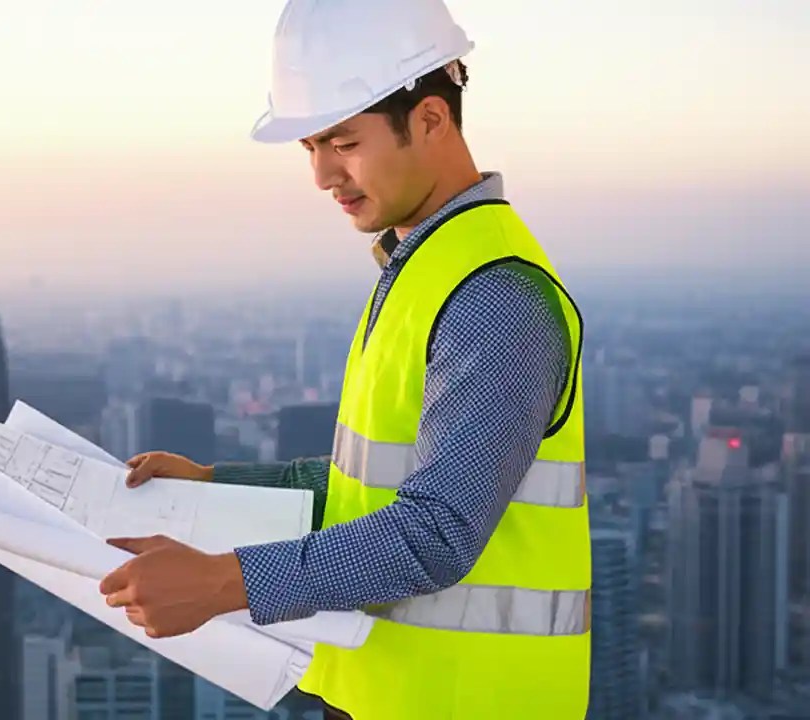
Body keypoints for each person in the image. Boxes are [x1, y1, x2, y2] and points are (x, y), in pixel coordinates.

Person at [97, 0, 591, 718]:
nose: (323, 174)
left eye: (344, 142)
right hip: (391, 695)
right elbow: (370, 488)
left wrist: (222, 583)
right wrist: (214, 484)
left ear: (430, 119)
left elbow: (436, 531)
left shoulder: (492, 294)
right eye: (310, 147)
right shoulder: (423, 268)